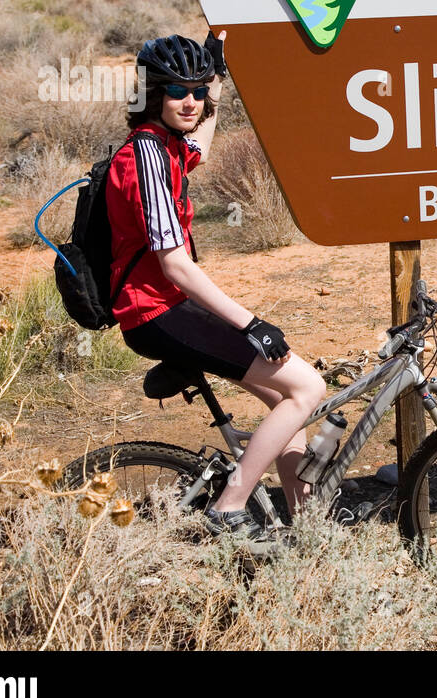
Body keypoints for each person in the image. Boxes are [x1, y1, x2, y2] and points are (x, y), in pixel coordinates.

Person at [107, 32, 326, 539]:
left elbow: (200, 143)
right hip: (156, 312)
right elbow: (175, 266)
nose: (190, 102)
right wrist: (252, 324)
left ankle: (307, 525)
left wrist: (217, 73)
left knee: (286, 399)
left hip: (168, 307)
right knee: (307, 387)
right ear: (153, 94)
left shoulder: (164, 144)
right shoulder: (144, 158)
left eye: (197, 91)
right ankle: (229, 506)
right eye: (176, 91)